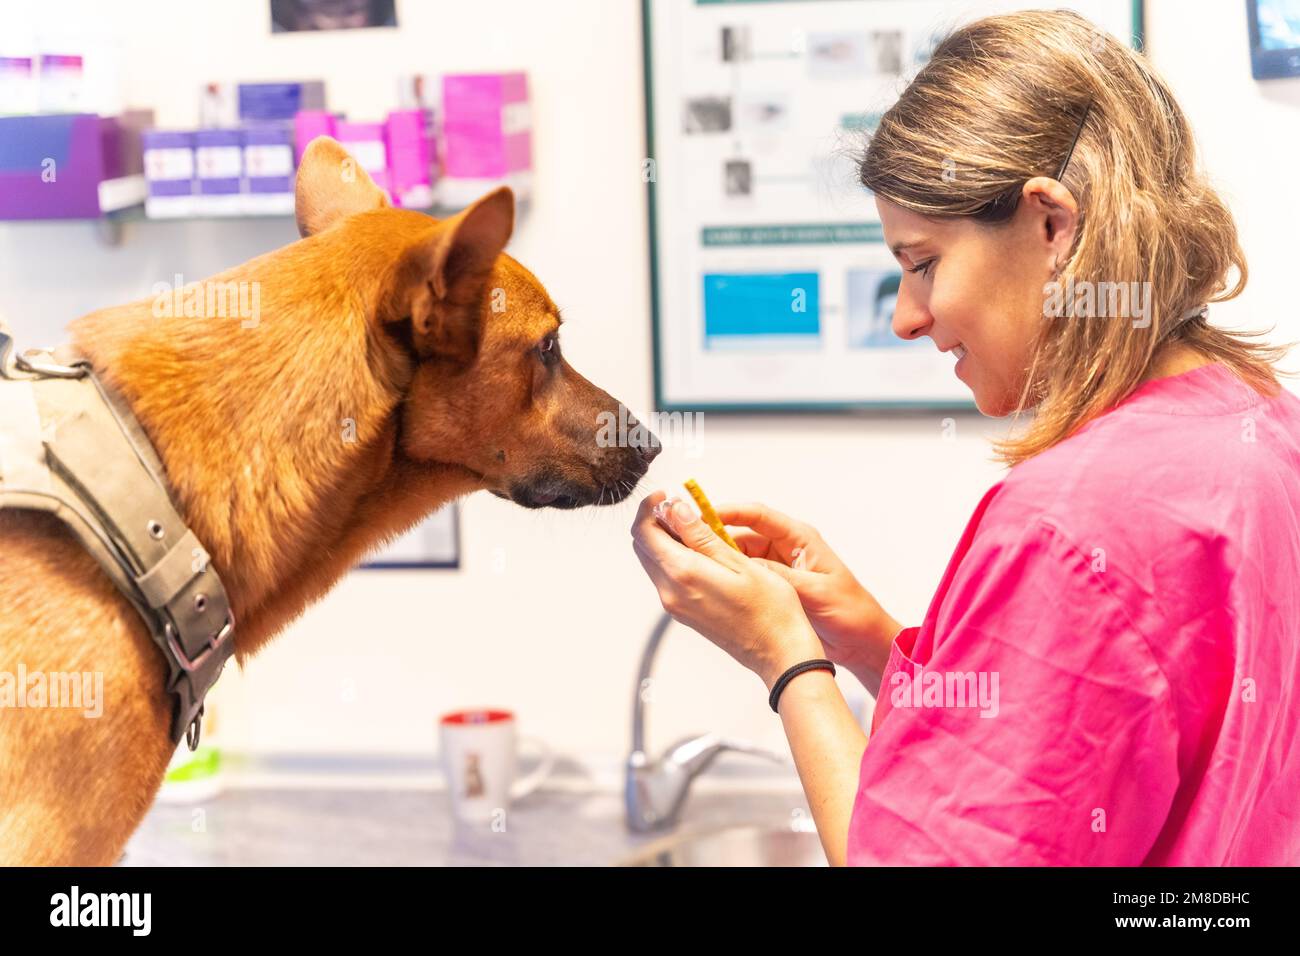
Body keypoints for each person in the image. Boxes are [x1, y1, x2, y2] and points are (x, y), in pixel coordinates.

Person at [630, 9, 1300, 866]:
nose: (908, 318)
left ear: (1050, 226)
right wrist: (872, 641)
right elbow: (1098, 736)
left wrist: (787, 661)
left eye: (923, 264)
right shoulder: (1258, 424)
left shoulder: (1069, 522)